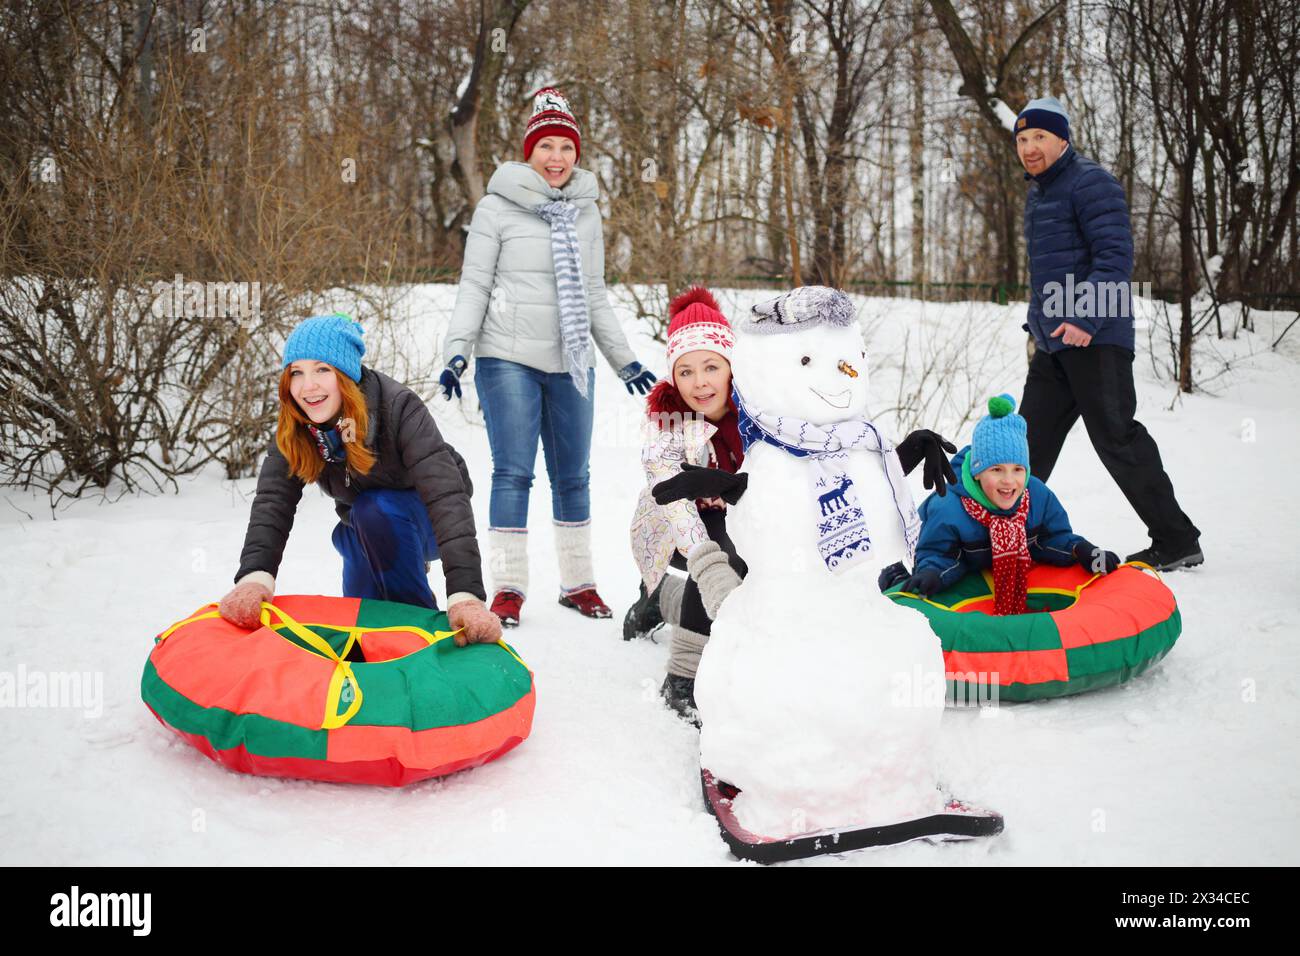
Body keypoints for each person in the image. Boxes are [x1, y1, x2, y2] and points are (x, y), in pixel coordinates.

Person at [438, 87, 656, 627]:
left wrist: (624, 359)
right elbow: (474, 285)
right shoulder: (496, 208)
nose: (556, 158)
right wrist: (457, 351)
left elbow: (596, 291)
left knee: (574, 476)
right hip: (506, 355)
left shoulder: (586, 214)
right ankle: (508, 589)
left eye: (566, 147)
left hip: (572, 358)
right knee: (513, 472)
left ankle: (578, 584)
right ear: (529, 152)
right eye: (546, 147)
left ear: (576, 155)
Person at [218, 313, 502, 649]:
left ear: (345, 374)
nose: (308, 386)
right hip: (364, 526)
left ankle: (420, 634)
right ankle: (367, 651)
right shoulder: (297, 425)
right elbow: (272, 501)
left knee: (373, 511)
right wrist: (254, 578)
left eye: (322, 369)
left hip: (427, 519)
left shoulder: (398, 407)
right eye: (297, 372)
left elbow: (446, 497)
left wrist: (465, 595)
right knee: (358, 609)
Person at [1014, 96, 1202, 571]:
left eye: (1039, 137)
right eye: (1022, 139)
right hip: (1055, 341)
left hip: (1096, 339)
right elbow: (1050, 272)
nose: (1030, 147)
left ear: (1063, 139)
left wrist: (1084, 318)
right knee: (1025, 445)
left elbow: (1115, 258)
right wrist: (1041, 324)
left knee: (1117, 438)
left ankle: (1176, 539)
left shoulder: (1090, 182)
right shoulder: (1038, 194)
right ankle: (1006, 538)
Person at [626, 288, 746, 723]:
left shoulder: (754, 414)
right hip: (681, 518)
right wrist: (709, 562)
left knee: (748, 569)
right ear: (673, 378)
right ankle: (682, 675)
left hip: (739, 510)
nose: (700, 382)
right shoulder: (670, 425)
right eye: (687, 371)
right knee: (722, 557)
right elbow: (675, 502)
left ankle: (661, 600)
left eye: (712, 366)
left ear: (732, 367)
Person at [889, 394, 1120, 616]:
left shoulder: (1037, 496)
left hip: (992, 567)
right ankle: (892, 580)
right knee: (896, 577)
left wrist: (1080, 549)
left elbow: (1049, 538)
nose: (1009, 481)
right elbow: (938, 551)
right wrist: (932, 572)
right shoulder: (949, 507)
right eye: (996, 469)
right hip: (920, 552)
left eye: (1018, 469)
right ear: (978, 472)